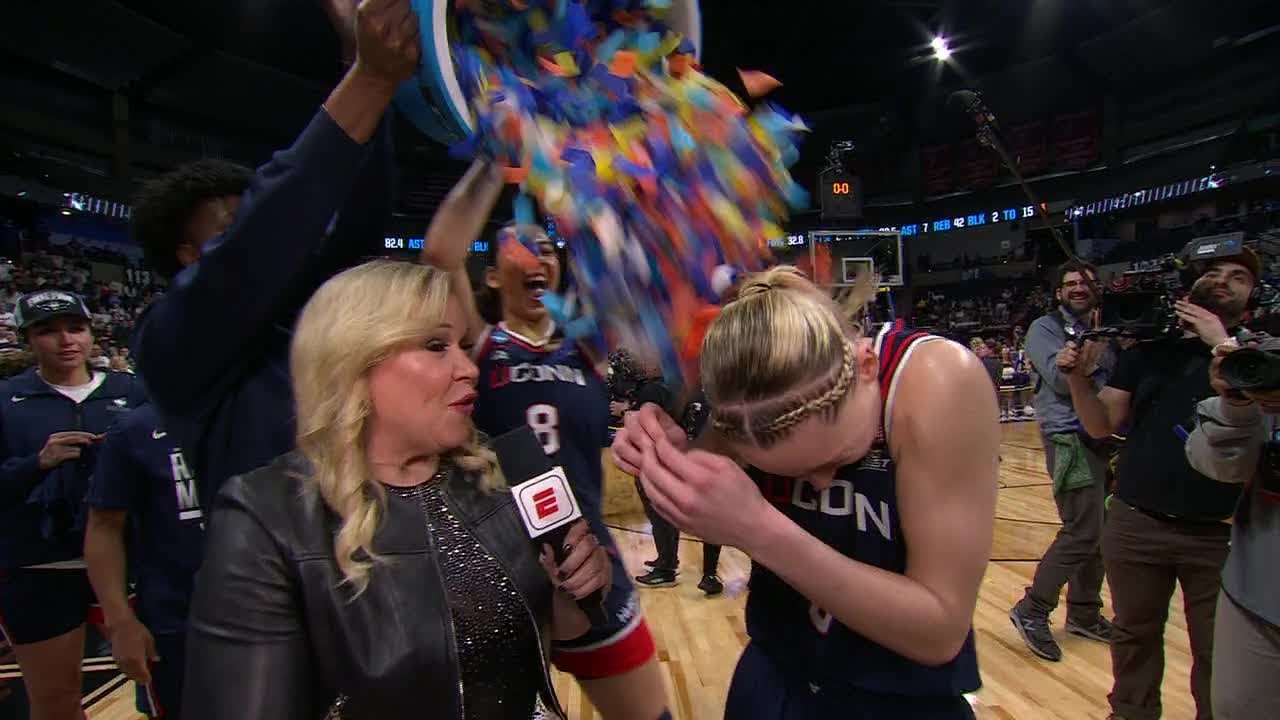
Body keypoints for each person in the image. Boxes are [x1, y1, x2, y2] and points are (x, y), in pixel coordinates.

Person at [183, 260, 612, 719]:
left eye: (464, 346)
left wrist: (571, 592)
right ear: (353, 361)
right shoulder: (263, 517)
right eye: (435, 345)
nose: (468, 368)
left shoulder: (499, 470)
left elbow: (554, 637)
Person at [613, 267, 998, 719]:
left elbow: (938, 633)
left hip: (900, 699)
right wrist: (662, 457)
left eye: (833, 457)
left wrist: (760, 529)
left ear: (866, 366)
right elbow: (694, 488)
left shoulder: (938, 380)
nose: (819, 484)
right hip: (775, 675)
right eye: (793, 472)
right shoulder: (750, 401)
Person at [131, 0, 416, 510]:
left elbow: (363, 216)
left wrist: (365, 66)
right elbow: (267, 231)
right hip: (270, 583)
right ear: (188, 255)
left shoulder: (298, 312)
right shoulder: (170, 343)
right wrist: (368, 80)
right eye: (228, 231)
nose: (275, 242)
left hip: (371, 561)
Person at [421, 162, 671, 720]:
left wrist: (608, 192)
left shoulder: (586, 347)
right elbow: (440, 256)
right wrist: (493, 162)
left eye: (549, 251)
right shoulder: (479, 346)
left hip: (587, 564)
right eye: (522, 248)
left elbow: (632, 273)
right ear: (490, 277)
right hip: (493, 574)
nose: (539, 258)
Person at [1065, 252, 1256, 720]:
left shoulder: (1258, 359)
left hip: (1219, 529)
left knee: (1218, 650)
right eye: (1213, 272)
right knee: (1134, 635)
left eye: (1239, 277)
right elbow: (1100, 425)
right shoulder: (1148, 352)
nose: (1223, 281)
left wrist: (1220, 344)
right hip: (1137, 520)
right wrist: (1076, 380)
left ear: (1254, 295)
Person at [0, 290, 143, 720]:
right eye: (48, 331)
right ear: (28, 338)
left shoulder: (132, 391)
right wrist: (35, 464)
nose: (66, 340)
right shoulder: (6, 400)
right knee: (55, 697)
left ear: (91, 333)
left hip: (130, 559)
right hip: (39, 567)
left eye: (75, 328)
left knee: (161, 679)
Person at [1009, 261, 1115, 662]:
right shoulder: (1044, 328)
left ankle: (1085, 613)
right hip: (1068, 437)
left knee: (1100, 532)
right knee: (1082, 529)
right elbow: (1057, 378)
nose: (1077, 288)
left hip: (1107, 436)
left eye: (1085, 281)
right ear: (1058, 293)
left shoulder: (1112, 326)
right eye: (1069, 283)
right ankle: (1032, 608)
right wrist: (1084, 357)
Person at [84, 403, 204, 719]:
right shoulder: (134, 429)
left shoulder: (273, 410)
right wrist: (120, 621)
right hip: (175, 620)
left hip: (272, 610)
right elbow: (104, 527)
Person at [1184, 343, 1280, 720]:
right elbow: (1221, 468)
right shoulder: (1267, 355)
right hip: (1256, 587)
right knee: (1235, 707)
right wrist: (1236, 408)